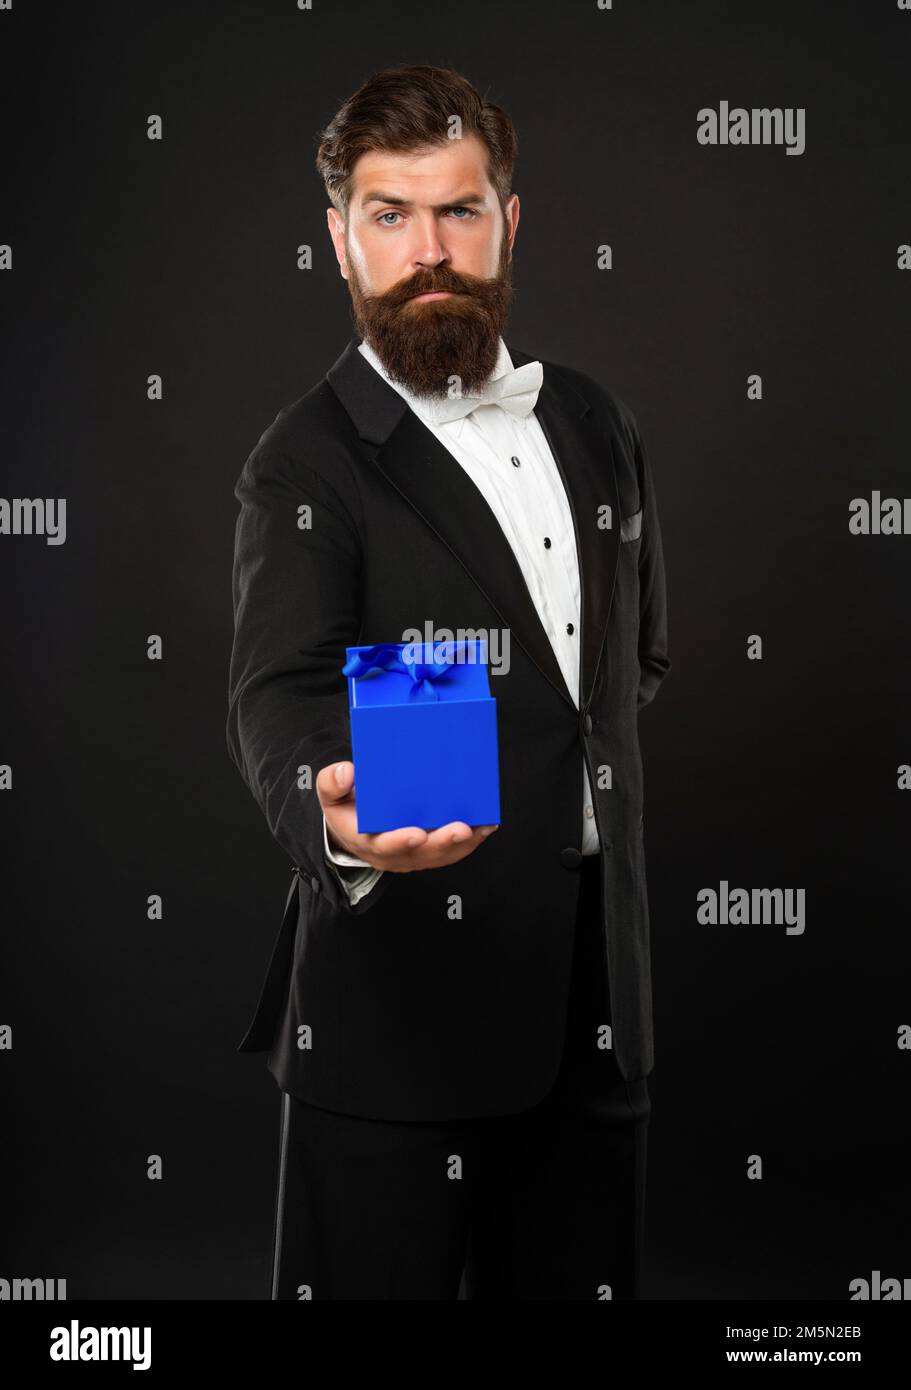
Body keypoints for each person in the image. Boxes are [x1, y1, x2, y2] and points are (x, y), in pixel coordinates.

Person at [226, 63, 671, 1300]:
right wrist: (329, 797)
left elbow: (629, 662)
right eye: (389, 214)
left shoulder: (592, 422)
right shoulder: (304, 457)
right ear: (340, 240)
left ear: (508, 222)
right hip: (393, 1032)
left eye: (459, 210)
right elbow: (279, 690)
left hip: (594, 1013)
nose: (428, 250)